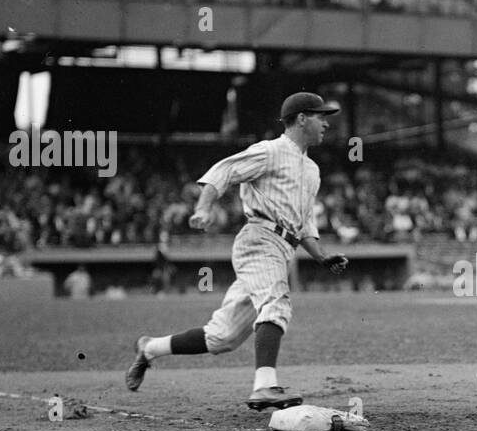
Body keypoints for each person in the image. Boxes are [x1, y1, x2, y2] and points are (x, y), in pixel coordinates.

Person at [124, 92, 349, 410]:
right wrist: (204, 208)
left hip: (283, 248)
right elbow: (223, 171)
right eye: (320, 116)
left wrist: (322, 256)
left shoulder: (312, 170)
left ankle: (150, 348)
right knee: (276, 303)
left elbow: (304, 224)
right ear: (301, 118)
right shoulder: (270, 152)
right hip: (260, 239)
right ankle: (265, 386)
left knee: (223, 336)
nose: (326, 122)